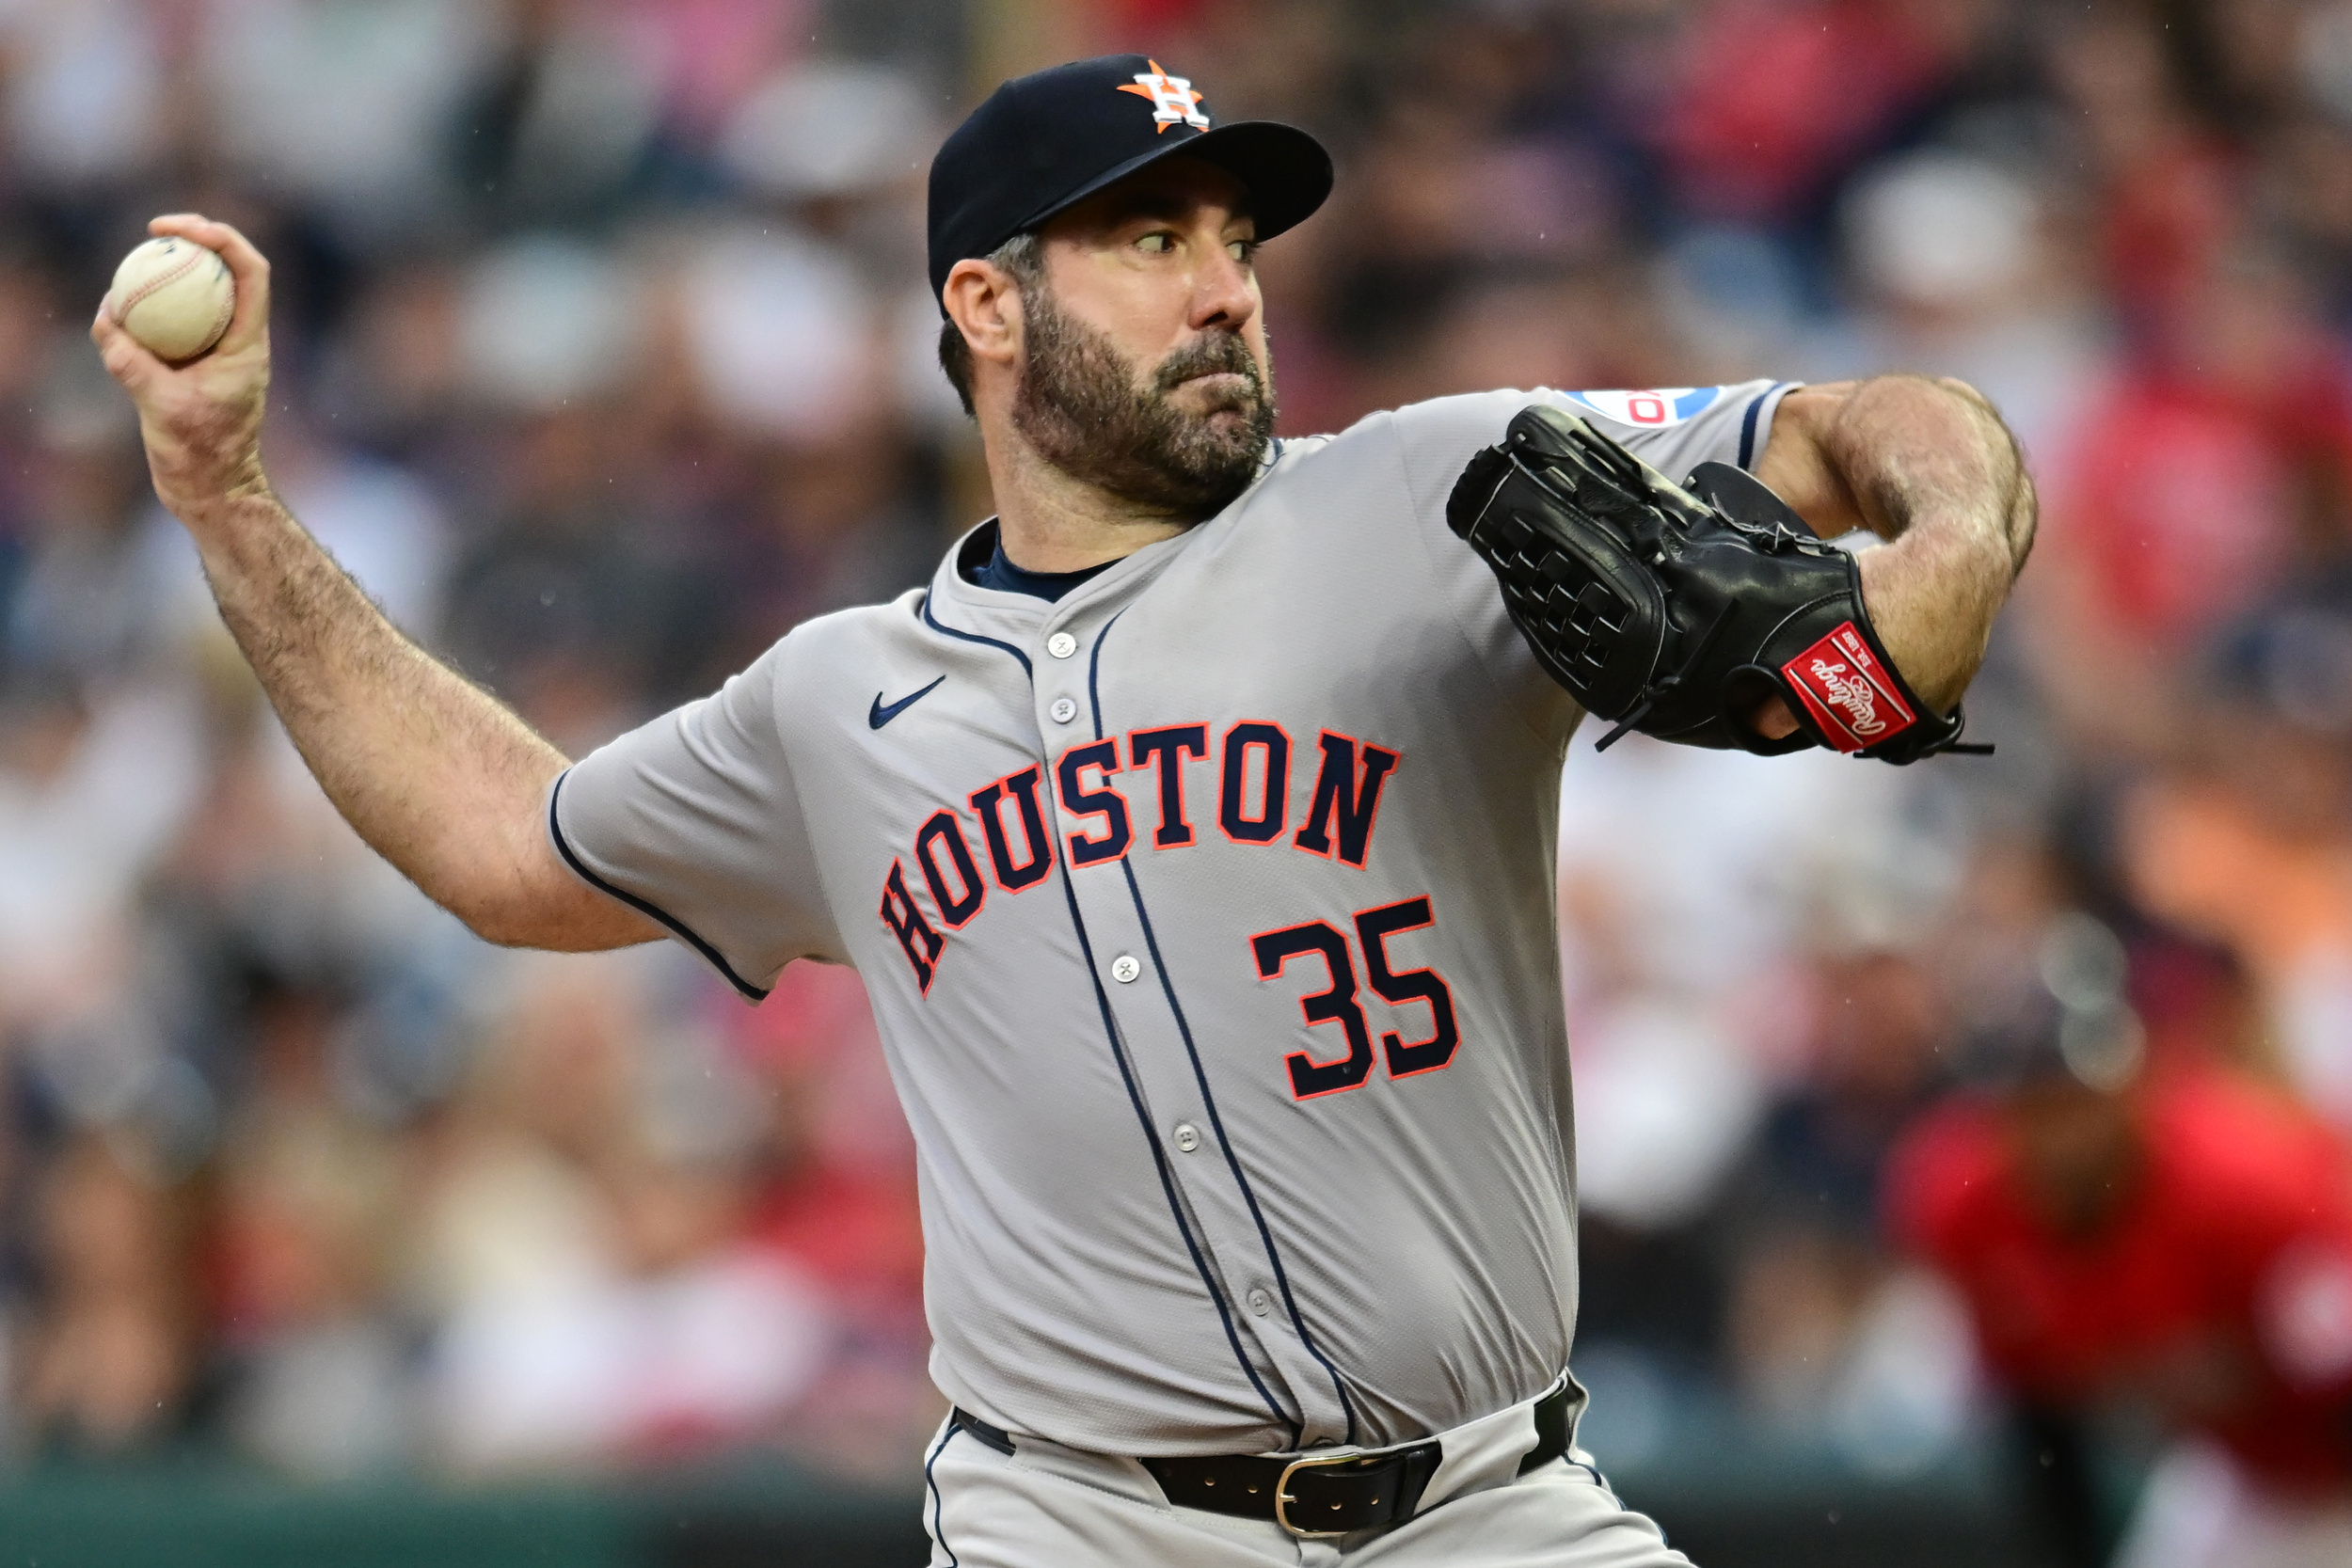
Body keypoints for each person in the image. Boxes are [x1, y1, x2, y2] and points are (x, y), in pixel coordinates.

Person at [95, 54, 2032, 1568]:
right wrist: (231, 504)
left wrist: (1933, 560)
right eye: (1151, 238)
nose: (1221, 289)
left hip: (1489, 1498)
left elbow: (1863, 424)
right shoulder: (832, 701)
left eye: (1236, 242)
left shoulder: (1436, 490)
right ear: (986, 303)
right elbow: (504, 850)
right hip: (1081, 1515)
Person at [1889, 925, 2352, 1568]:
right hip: (2241, 1469)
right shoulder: (1964, 1204)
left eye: (2082, 1098)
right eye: (2038, 1103)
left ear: (2137, 1081)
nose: (2064, 1130)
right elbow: (2040, 1420)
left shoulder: (2251, 1187)